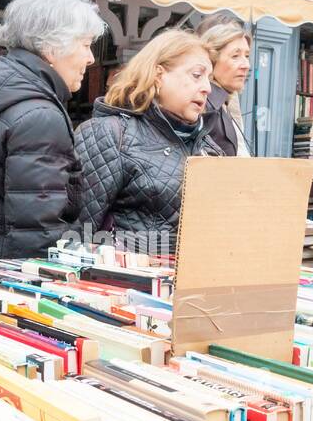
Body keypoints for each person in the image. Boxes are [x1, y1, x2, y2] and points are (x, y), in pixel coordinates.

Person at [0, 0, 106, 259]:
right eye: (85, 45)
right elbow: (37, 232)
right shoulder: (40, 116)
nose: (91, 58)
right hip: (9, 281)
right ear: (52, 46)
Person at [74, 30, 222, 253]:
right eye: (196, 75)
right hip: (127, 283)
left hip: (196, 282)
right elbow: (79, 233)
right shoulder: (109, 134)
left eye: (209, 79)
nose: (207, 88)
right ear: (158, 75)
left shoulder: (209, 148)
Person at [196, 14, 251, 156]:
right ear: (211, 59)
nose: (246, 65)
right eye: (235, 56)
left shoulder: (225, 100)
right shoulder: (203, 104)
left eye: (247, 56)